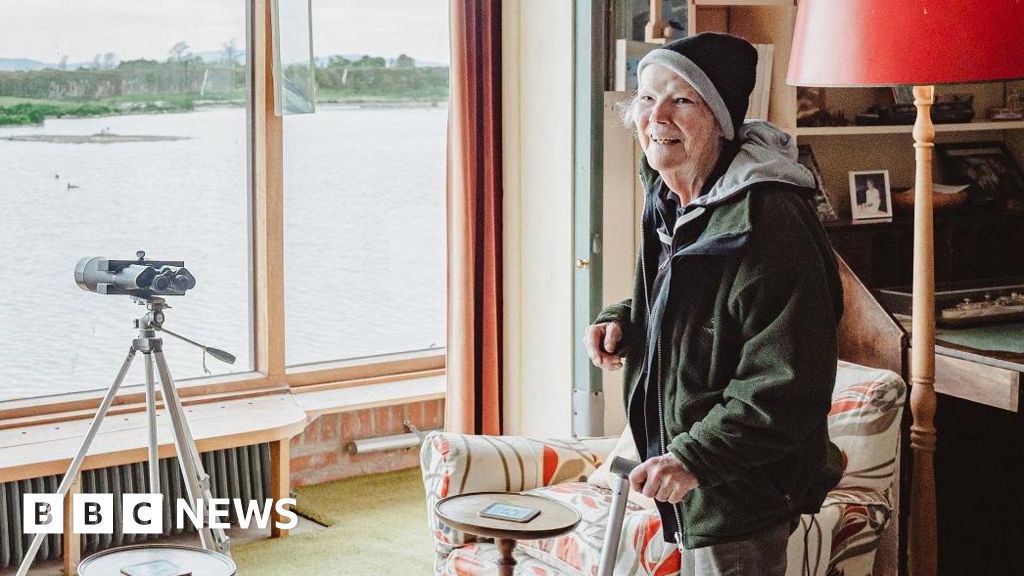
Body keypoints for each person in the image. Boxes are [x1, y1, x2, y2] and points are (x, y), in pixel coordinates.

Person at [584, 33, 844, 575]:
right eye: (648, 99)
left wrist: (695, 458)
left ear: (722, 121)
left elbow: (786, 386)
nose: (658, 117)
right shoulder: (672, 194)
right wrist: (627, 321)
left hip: (740, 484)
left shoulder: (769, 222)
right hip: (695, 470)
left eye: (682, 101)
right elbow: (699, 304)